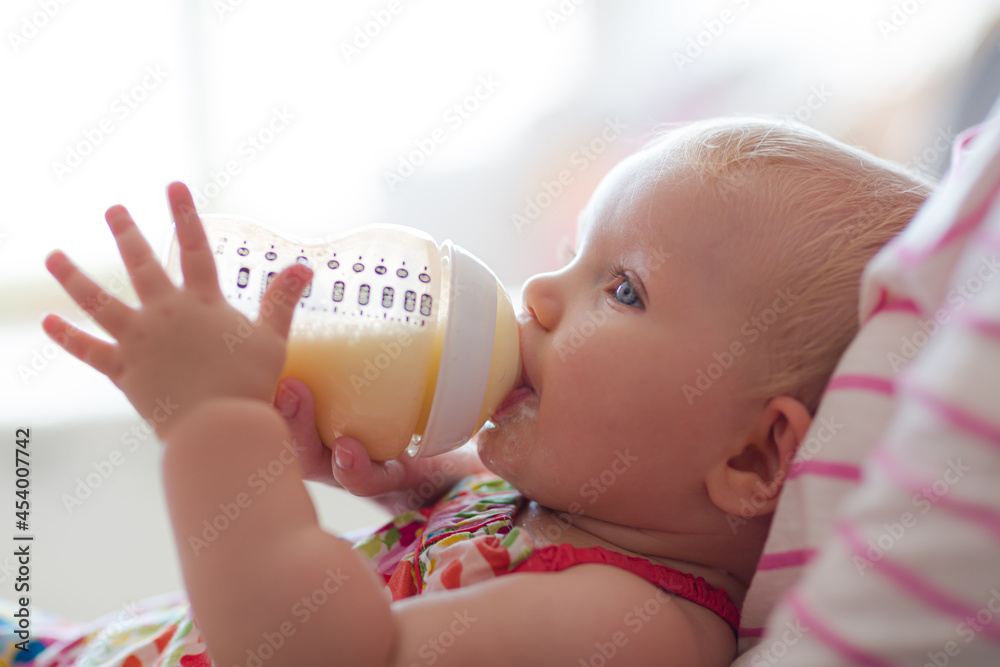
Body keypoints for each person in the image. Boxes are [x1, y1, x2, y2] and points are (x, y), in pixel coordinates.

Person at [8, 117, 930, 666]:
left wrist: (212, 425)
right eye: (570, 255)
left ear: (752, 455)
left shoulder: (636, 625)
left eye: (622, 289)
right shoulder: (574, 506)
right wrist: (411, 488)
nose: (536, 295)